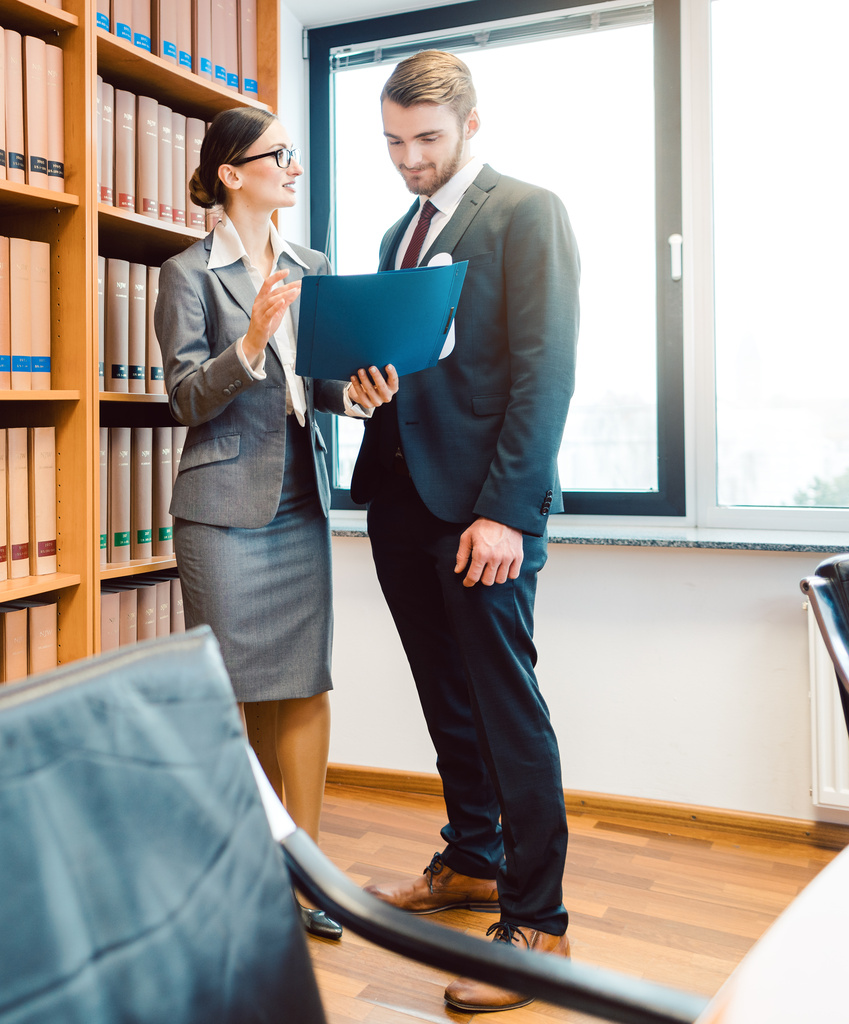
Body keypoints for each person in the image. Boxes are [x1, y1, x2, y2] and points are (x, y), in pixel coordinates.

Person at [349, 50, 580, 1013]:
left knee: (504, 705)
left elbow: (544, 369)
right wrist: (362, 388)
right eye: (395, 143)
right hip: (401, 497)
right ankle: (475, 859)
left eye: (428, 141)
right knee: (445, 695)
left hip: (483, 508)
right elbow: (407, 368)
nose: (410, 161)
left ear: (472, 127)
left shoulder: (527, 213)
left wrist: (507, 512)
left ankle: (539, 925)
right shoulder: (399, 230)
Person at [155, 106, 396, 942]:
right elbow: (185, 396)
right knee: (239, 695)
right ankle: (256, 878)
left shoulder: (312, 263)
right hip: (221, 510)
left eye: (293, 154)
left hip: (299, 499)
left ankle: (314, 882)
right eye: (278, 156)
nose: (293, 167)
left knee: (303, 684)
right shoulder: (187, 273)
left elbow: (316, 383)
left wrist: (354, 395)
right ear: (231, 172)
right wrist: (252, 339)